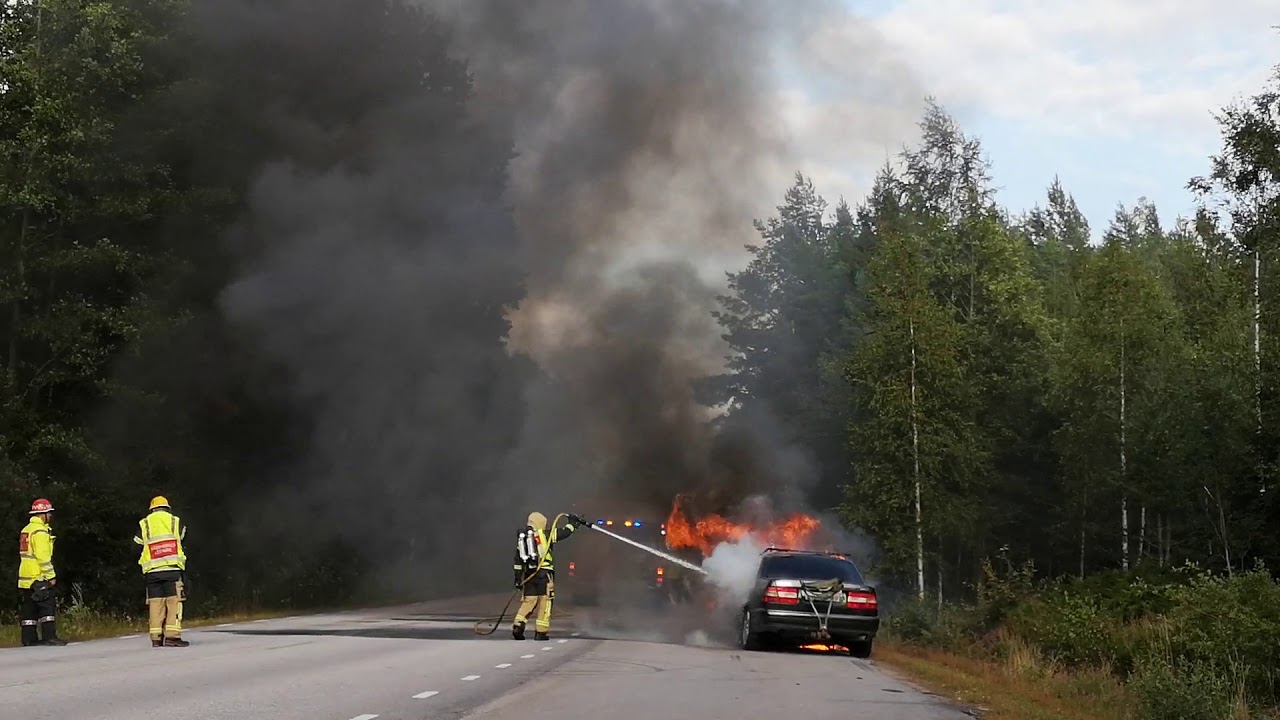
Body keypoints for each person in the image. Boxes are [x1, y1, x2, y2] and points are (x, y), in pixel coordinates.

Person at [512, 511, 587, 641]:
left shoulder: (522, 539)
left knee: (529, 601)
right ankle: (541, 632)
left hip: (529, 575)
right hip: (544, 575)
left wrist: (518, 579)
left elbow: (518, 562)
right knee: (545, 602)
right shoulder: (546, 534)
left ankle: (518, 624)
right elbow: (565, 533)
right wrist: (573, 523)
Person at [133, 495, 189, 647]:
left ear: (152, 509)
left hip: (152, 572)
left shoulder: (145, 524)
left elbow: (136, 544)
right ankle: (172, 637)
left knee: (155, 604)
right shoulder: (174, 521)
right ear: (167, 508)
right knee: (174, 602)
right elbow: (183, 538)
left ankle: (156, 638)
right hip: (171, 569)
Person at [18, 498, 65, 646]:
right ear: (42, 514)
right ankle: (49, 636)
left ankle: (28, 639)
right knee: (47, 606)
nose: (50, 516)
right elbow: (43, 557)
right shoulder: (40, 531)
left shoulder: (27, 529)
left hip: (25, 577)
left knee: (29, 609)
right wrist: (51, 576)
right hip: (38, 576)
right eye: (48, 513)